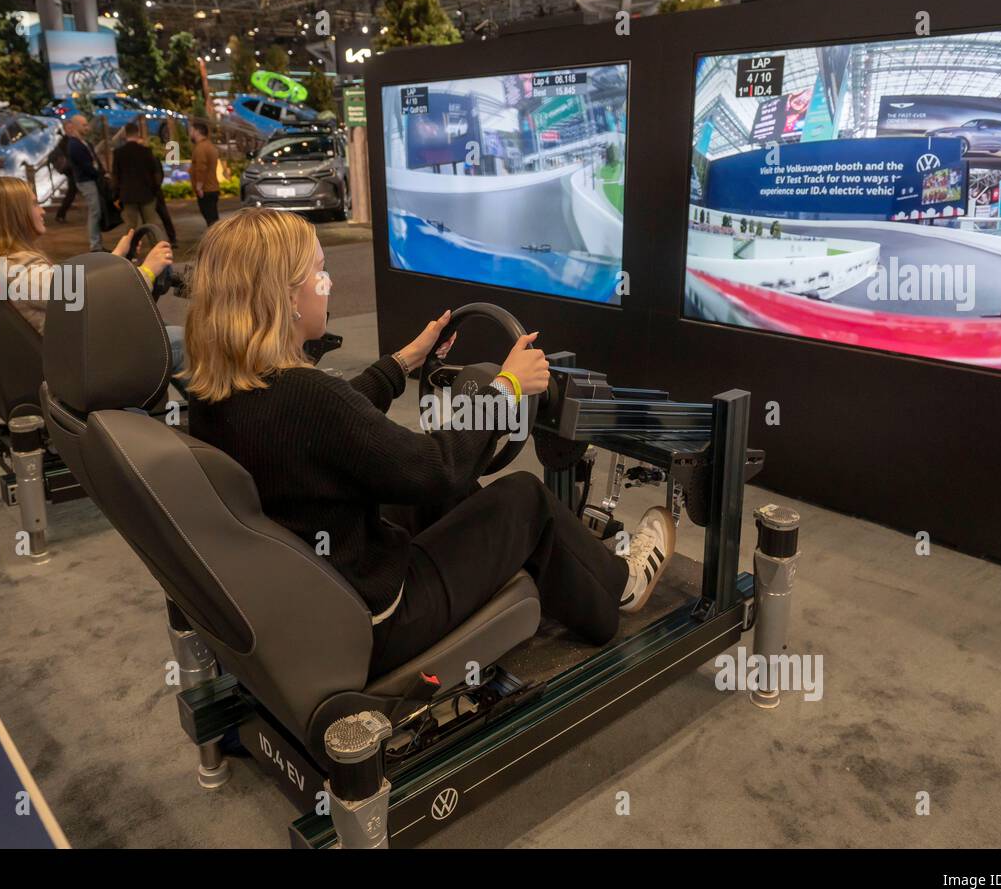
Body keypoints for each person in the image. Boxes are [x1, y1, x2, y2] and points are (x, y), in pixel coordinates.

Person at [185, 209, 677, 680]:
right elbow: (437, 466)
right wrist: (504, 388)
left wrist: (403, 362)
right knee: (524, 498)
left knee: (427, 491)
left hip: (317, 598)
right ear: (286, 297)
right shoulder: (308, 397)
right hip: (378, 621)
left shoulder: (219, 390)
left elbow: (327, 427)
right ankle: (618, 586)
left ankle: (552, 564)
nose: (328, 281)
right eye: (319, 270)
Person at [0, 177, 186, 374]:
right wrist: (148, 272)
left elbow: (78, 283)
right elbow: (93, 297)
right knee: (186, 341)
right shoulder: (22, 275)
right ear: (16, 215)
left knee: (160, 326)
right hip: (86, 361)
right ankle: (208, 409)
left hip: (79, 347)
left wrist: (116, 256)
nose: (42, 210)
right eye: (34, 204)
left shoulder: (12, 266)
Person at [111, 122, 163, 237]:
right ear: (138, 133)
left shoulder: (118, 153)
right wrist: (155, 189)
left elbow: (115, 175)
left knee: (130, 227)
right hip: (147, 194)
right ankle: (155, 250)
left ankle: (129, 252)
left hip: (128, 195)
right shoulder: (146, 151)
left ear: (125, 134)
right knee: (151, 225)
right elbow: (155, 172)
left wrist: (116, 195)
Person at [64, 116, 105, 251]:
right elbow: (86, 165)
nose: (87, 128)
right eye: (84, 125)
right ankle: (95, 244)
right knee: (95, 212)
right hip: (86, 180)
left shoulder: (82, 142)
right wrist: (98, 173)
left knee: (96, 211)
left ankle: (97, 243)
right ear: (76, 126)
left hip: (90, 179)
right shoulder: (74, 144)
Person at [189, 123, 220, 227]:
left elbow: (201, 167)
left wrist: (199, 186)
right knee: (213, 218)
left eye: (191, 130)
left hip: (206, 189)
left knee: (211, 220)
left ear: (197, 132)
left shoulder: (200, 148)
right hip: (212, 187)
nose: (190, 133)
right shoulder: (209, 145)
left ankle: (216, 241)